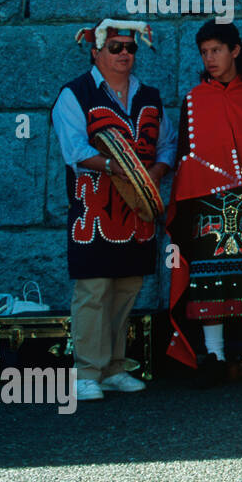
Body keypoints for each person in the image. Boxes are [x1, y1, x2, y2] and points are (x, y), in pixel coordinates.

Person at [52, 20, 175, 402]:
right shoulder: (75, 94)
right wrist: (115, 166)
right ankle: (86, 371)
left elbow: (168, 144)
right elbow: (74, 149)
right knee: (93, 290)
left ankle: (114, 367)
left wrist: (152, 173)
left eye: (130, 48)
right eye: (116, 47)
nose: (125, 54)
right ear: (96, 51)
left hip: (137, 213)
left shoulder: (150, 96)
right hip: (95, 213)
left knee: (126, 289)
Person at [166, 20, 242, 387]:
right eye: (204, 52)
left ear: (235, 51)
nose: (210, 59)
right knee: (209, 278)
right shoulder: (194, 99)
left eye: (216, 50)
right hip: (206, 201)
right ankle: (214, 355)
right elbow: (185, 155)